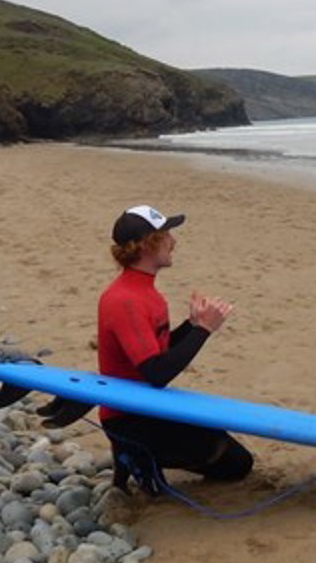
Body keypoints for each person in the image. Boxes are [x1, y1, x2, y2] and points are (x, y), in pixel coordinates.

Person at [93, 204, 254, 493]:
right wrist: (204, 330)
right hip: (129, 419)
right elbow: (156, 372)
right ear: (145, 245)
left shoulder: (142, 290)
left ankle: (138, 453)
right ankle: (133, 454)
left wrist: (192, 326)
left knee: (230, 453)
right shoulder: (125, 300)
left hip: (148, 405)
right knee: (236, 465)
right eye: (166, 234)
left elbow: (158, 351)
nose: (173, 241)